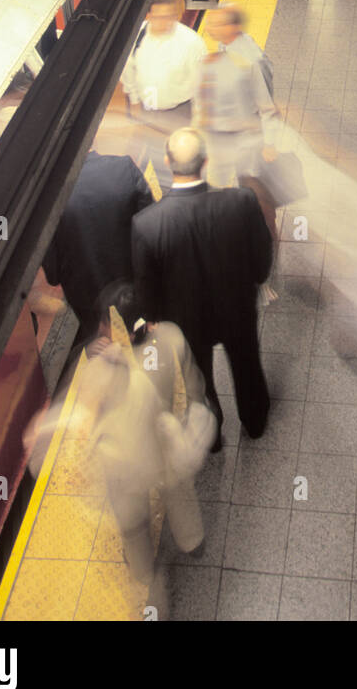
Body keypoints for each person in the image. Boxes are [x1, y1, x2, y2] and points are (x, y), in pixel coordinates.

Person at [132, 128, 273, 447]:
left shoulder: (147, 223)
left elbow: (146, 285)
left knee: (199, 378)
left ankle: (211, 433)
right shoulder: (241, 201)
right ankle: (254, 422)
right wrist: (254, 282)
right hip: (237, 306)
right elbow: (262, 254)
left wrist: (155, 318)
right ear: (206, 162)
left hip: (187, 319)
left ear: (167, 162)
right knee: (247, 363)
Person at [74, 283, 214, 589]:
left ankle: (141, 567)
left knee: (134, 522)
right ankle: (192, 541)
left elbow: (88, 417)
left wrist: (96, 358)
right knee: (178, 493)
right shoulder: (170, 336)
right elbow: (195, 389)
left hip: (127, 461)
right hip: (163, 444)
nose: (100, 327)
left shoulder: (104, 365)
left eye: (105, 323)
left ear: (115, 329)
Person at [42, 150, 153, 346]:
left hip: (85, 292)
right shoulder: (123, 167)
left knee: (99, 342)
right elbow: (150, 228)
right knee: (139, 330)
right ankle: (142, 346)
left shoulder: (49, 195)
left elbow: (53, 271)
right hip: (132, 278)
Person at [193, 36, 279, 189]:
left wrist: (269, 143)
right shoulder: (206, 67)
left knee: (246, 181)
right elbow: (199, 105)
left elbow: (266, 107)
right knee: (220, 184)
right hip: (219, 140)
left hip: (244, 137)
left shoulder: (250, 65)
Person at [121, 0, 207, 135]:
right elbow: (128, 68)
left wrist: (199, 118)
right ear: (148, 16)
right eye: (158, 17)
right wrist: (134, 101)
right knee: (152, 141)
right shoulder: (136, 36)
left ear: (177, 16)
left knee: (180, 150)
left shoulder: (191, 43)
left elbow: (202, 82)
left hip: (179, 110)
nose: (164, 22)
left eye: (169, 16)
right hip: (148, 104)